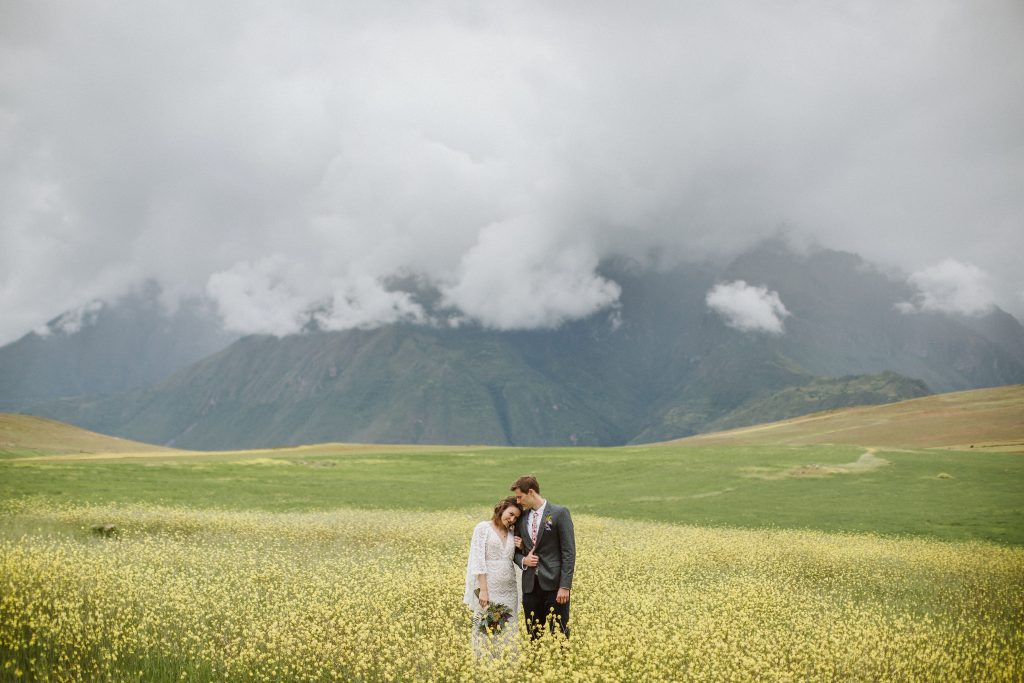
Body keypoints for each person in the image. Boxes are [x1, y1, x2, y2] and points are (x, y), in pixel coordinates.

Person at [511, 475, 576, 639]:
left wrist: (565, 586)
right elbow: (515, 552)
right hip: (530, 588)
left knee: (560, 637)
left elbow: (569, 552)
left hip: (555, 587)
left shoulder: (559, 513)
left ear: (531, 492)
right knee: (533, 637)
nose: (518, 502)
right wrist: (523, 561)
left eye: (520, 496)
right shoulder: (521, 518)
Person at [464, 496, 523, 656]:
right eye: (510, 514)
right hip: (489, 589)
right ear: (502, 508)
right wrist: (483, 590)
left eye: (516, 518)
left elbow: (517, 558)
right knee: (485, 631)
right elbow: (478, 559)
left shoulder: (513, 534)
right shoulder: (483, 528)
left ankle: (507, 669)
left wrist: (522, 547)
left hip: (510, 591)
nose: (512, 519)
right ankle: (485, 669)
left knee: (509, 630)